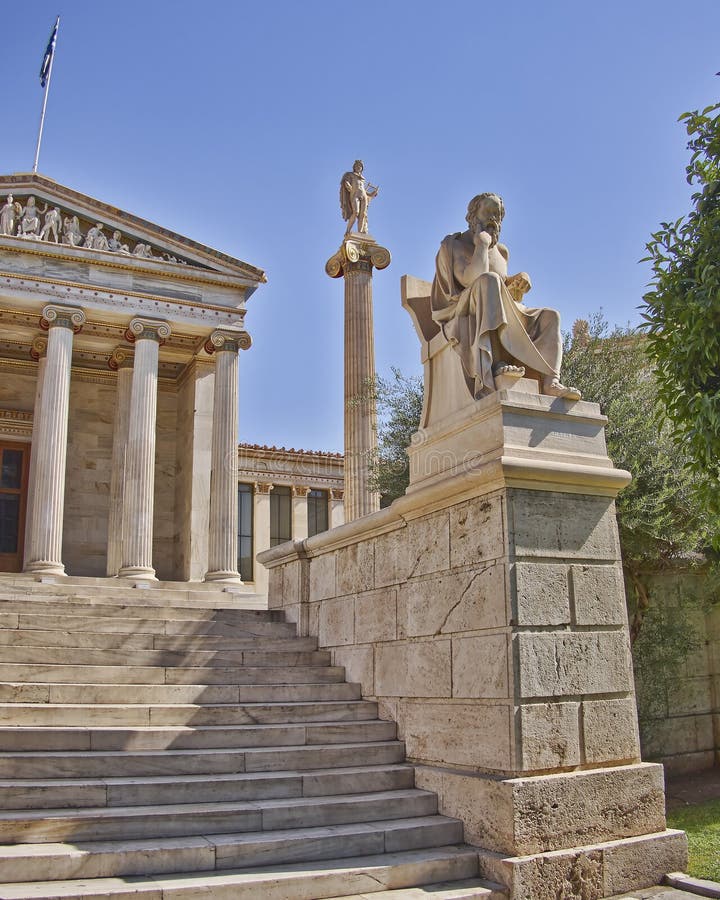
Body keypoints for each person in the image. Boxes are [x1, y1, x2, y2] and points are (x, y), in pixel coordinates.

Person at [431, 192, 580, 400]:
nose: (493, 219)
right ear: (472, 216)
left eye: (497, 214)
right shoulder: (453, 245)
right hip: (463, 308)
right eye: (488, 212)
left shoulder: (501, 252)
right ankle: (495, 362)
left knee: (550, 316)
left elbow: (503, 286)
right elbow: (471, 279)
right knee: (489, 281)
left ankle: (550, 380)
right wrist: (481, 245)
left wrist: (517, 280)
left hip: (495, 302)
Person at [339, 160, 378, 235]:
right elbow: (345, 181)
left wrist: (372, 193)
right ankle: (348, 230)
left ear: (362, 168)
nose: (358, 167)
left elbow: (363, 189)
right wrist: (348, 185)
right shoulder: (350, 174)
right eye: (357, 165)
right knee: (356, 212)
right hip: (354, 194)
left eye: (360, 166)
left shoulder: (363, 178)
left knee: (362, 214)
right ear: (354, 167)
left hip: (363, 195)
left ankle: (360, 232)